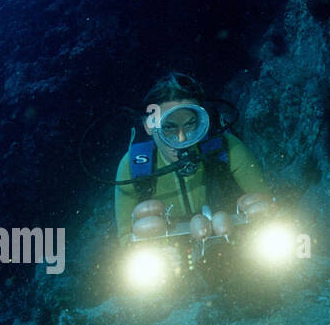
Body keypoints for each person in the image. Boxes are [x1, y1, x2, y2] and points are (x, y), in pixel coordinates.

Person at [113, 71, 272, 246]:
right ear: (149, 126)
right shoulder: (132, 166)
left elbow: (270, 209)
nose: (182, 139)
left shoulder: (228, 148)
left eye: (190, 125)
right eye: (169, 127)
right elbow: (126, 241)